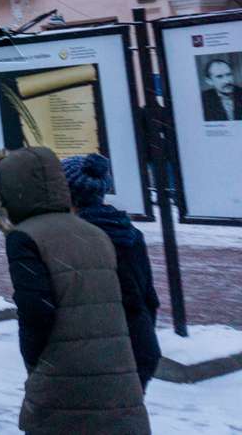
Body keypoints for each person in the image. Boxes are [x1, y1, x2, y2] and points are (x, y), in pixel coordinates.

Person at [0, 146, 150, 434]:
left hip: (64, 387)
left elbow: (35, 313)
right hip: (119, 387)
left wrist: (36, 365)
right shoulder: (95, 233)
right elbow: (132, 306)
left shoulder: (25, 237)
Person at [62, 153, 162, 390]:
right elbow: (148, 297)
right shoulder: (129, 233)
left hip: (97, 357)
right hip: (139, 347)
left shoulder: (72, 239)